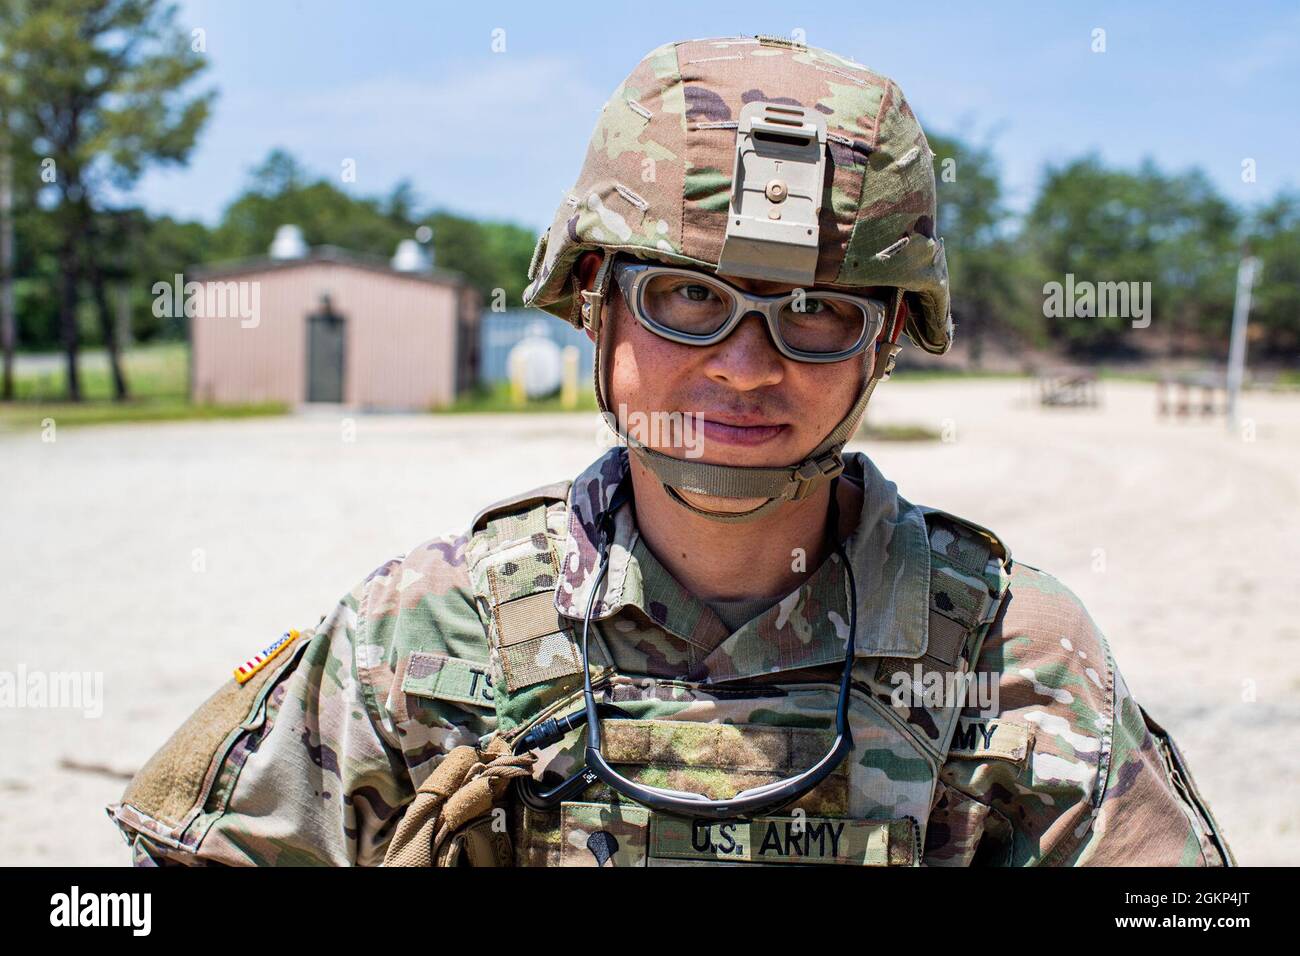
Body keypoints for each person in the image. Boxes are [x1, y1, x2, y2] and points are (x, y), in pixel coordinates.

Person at [107, 34, 1232, 867]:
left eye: (817, 313)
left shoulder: (1010, 653)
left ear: (884, 341)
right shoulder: (422, 630)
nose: (746, 367)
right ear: (596, 303)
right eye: (688, 296)